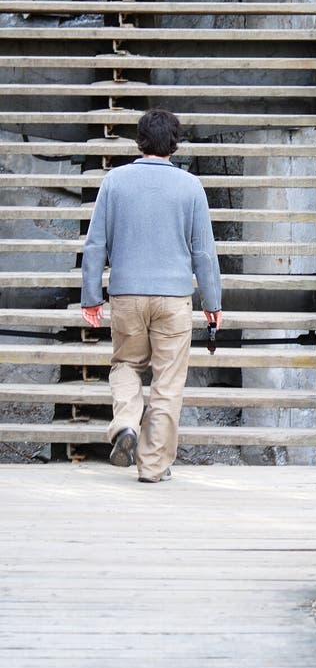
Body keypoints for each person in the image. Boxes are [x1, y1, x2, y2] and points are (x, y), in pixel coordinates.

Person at [80, 109, 222, 483]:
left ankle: (125, 423)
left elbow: (96, 244)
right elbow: (203, 253)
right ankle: (154, 465)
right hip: (173, 298)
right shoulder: (190, 186)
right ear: (174, 144)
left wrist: (91, 297)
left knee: (126, 365)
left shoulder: (115, 181)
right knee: (167, 383)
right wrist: (212, 303)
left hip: (127, 293)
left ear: (139, 141)